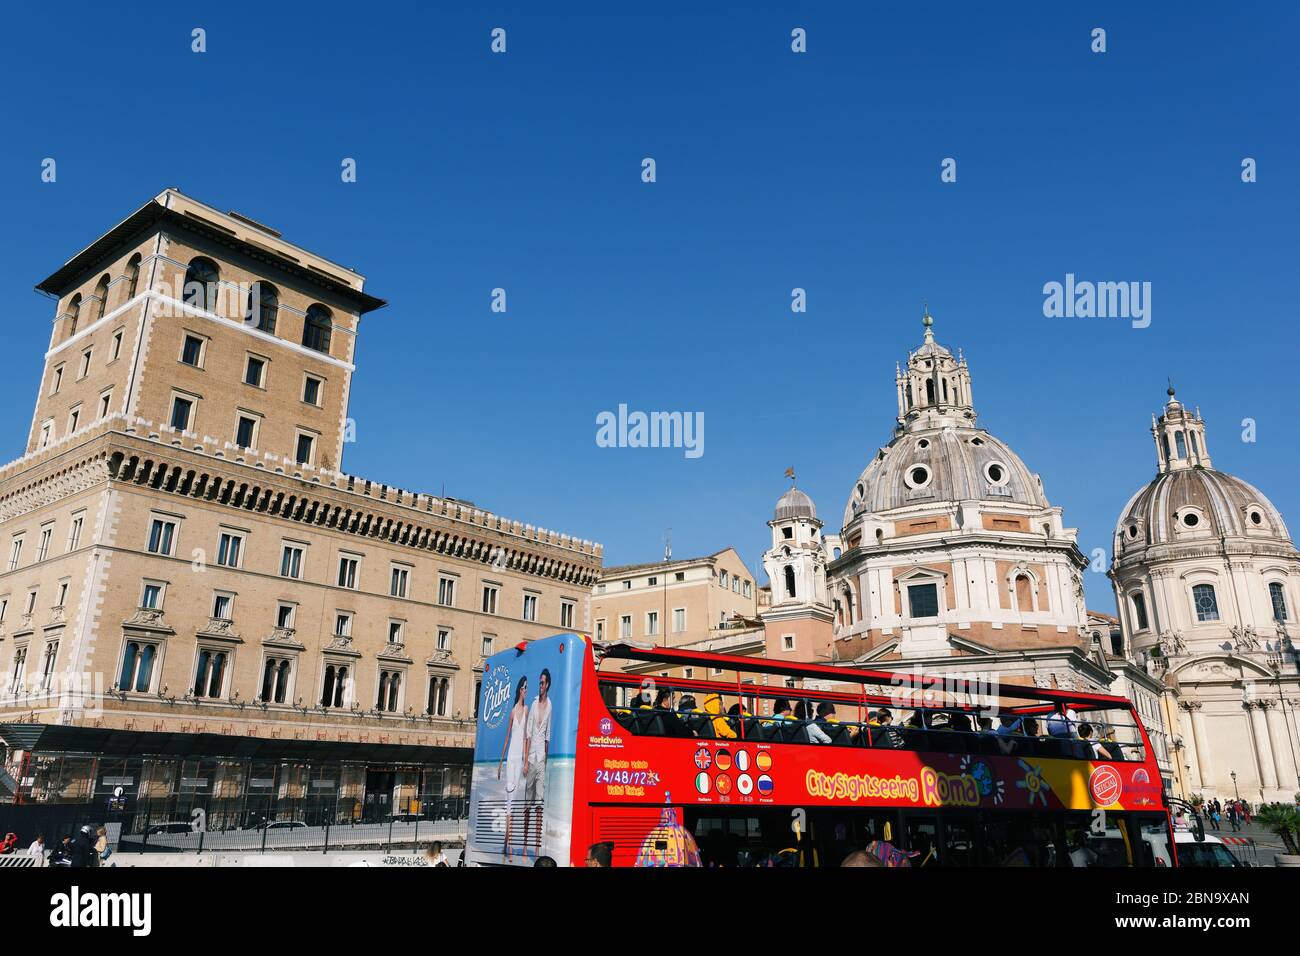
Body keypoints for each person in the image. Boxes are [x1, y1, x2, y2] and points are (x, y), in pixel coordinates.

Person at [496, 674, 529, 861]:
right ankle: (507, 846)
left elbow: (525, 738)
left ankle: (507, 844)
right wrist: (501, 763)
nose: (525, 690)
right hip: (510, 759)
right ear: (519, 690)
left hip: (520, 760)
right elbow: (507, 737)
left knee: (515, 803)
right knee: (509, 803)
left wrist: (526, 761)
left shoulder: (527, 710)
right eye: (523, 688)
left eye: (527, 688)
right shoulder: (512, 712)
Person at [523, 668, 553, 854]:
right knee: (528, 803)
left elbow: (547, 736)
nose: (540, 686)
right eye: (539, 683)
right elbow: (528, 734)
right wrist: (525, 761)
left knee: (539, 804)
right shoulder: (534, 704)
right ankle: (525, 843)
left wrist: (546, 762)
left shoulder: (550, 706)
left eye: (542, 683)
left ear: (547, 684)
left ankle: (536, 845)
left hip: (541, 758)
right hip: (531, 757)